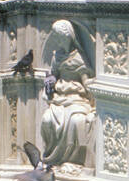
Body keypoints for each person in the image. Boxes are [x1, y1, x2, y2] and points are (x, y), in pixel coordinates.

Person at [39, 20, 95, 168]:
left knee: (77, 121)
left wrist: (93, 98)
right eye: (57, 37)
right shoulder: (56, 56)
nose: (58, 41)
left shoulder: (79, 57)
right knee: (46, 119)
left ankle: (74, 160)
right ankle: (52, 157)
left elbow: (86, 82)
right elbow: (52, 75)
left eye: (61, 37)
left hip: (77, 98)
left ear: (69, 37)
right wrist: (49, 82)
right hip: (59, 98)